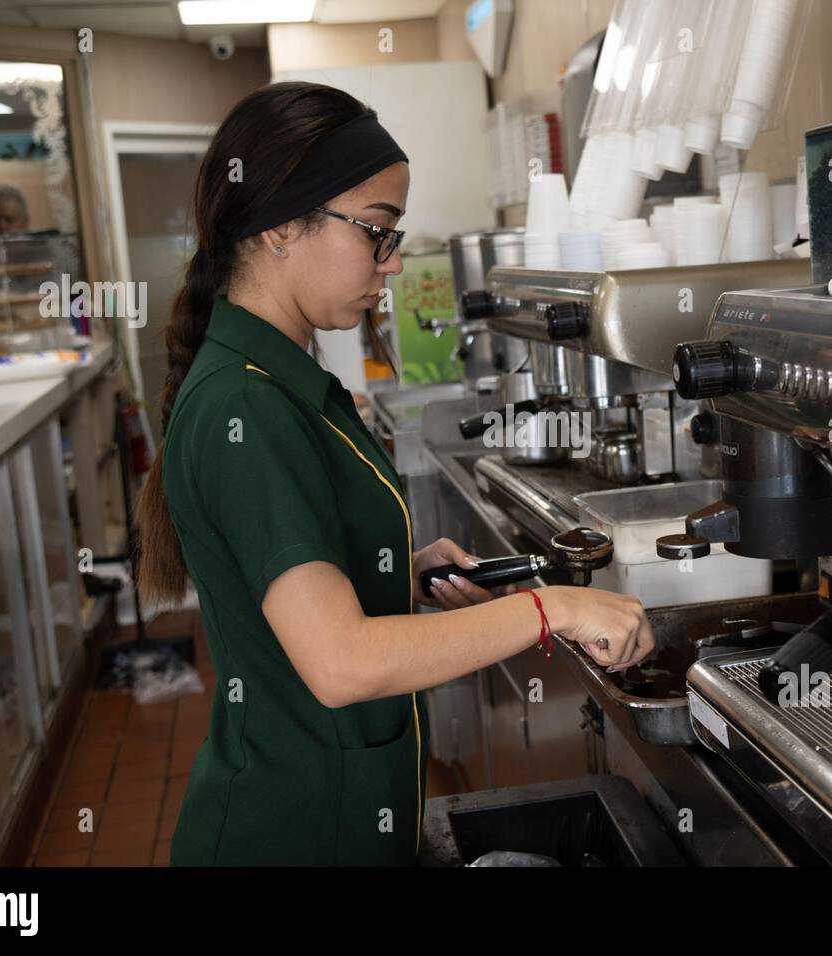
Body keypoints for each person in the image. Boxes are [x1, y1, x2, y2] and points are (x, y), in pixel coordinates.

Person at [134, 82, 655, 866]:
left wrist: (397, 573)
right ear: (280, 226)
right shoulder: (246, 406)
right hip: (293, 834)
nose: (396, 260)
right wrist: (555, 610)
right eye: (376, 232)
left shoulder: (276, 380)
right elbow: (342, 663)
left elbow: (281, 581)